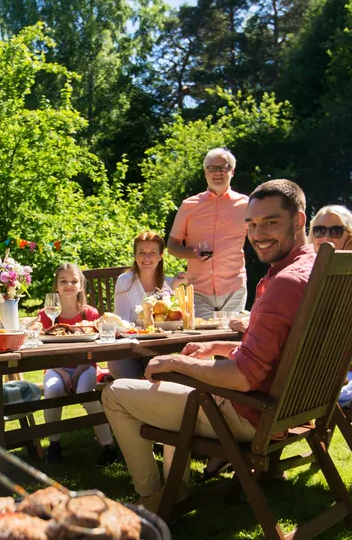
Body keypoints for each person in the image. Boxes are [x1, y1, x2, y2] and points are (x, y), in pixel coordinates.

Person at [102, 180, 314, 511]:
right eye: (252, 224)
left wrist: (176, 363)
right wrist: (216, 346)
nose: (258, 234)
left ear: (298, 221)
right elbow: (274, 352)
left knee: (115, 395)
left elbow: (244, 377)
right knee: (178, 382)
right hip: (298, 407)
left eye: (271, 222)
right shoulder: (314, 270)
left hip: (253, 413)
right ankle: (176, 487)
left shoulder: (284, 282)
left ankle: (155, 497)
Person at [38, 264, 117, 465]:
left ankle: (107, 444)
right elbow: (42, 351)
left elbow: (94, 350)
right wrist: (64, 375)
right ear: (55, 286)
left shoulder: (89, 313)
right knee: (53, 390)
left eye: (74, 281)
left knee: (85, 392)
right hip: (56, 366)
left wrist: (76, 373)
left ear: (81, 285)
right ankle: (54, 443)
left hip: (85, 366)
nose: (69, 285)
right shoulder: (47, 314)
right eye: (63, 281)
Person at [307, 205, 352, 409]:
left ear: (350, 235)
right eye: (319, 231)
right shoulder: (314, 269)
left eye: (335, 231)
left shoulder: (351, 273)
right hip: (341, 361)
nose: (325, 237)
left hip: (335, 368)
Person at [167, 148, 249, 319]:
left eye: (223, 167)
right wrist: (192, 254)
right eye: (212, 168)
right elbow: (172, 246)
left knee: (230, 340)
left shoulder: (247, 205)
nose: (218, 172)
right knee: (202, 340)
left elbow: (260, 238)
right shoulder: (189, 205)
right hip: (198, 290)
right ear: (205, 172)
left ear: (232, 172)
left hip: (233, 288)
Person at [109, 231, 187, 381]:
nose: (147, 257)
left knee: (163, 382)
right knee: (133, 384)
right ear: (135, 256)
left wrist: (179, 284)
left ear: (160, 256)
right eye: (142, 252)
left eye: (152, 252)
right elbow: (121, 320)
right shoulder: (124, 282)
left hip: (157, 350)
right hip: (127, 351)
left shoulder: (169, 283)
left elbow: (174, 322)